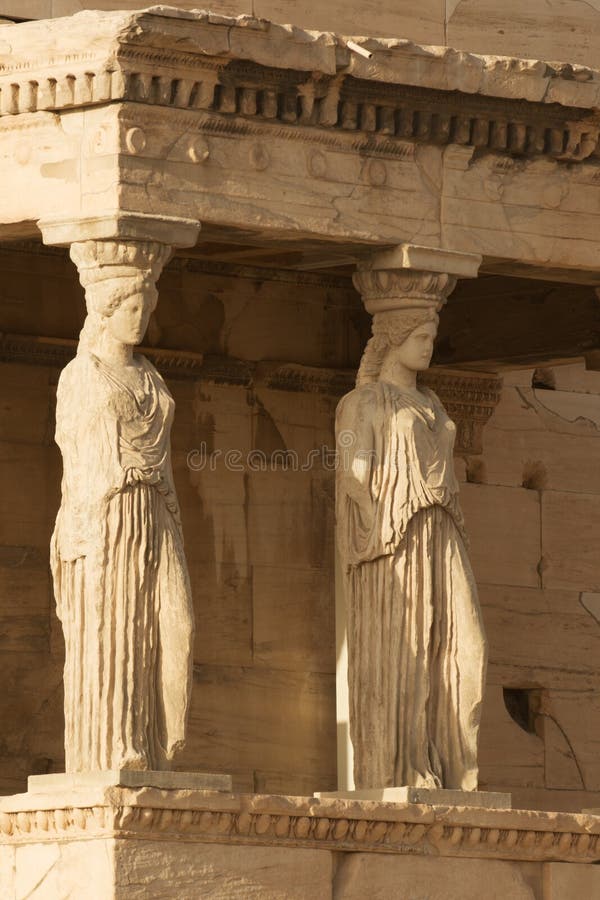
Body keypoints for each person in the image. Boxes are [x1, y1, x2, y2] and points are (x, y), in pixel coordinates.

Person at [51, 253, 194, 773]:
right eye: (131, 307)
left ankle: (156, 743)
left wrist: (173, 519)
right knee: (117, 628)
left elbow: (167, 461)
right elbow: (77, 457)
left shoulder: (152, 377)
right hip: (108, 514)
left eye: (145, 307)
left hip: (155, 510)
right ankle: (116, 750)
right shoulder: (81, 375)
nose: (141, 317)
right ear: (106, 311)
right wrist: (85, 537)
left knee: (174, 625)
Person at [336, 307, 486, 790]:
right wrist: (371, 515)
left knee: (467, 644)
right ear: (394, 339)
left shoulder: (433, 401)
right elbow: (352, 471)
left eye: (432, 336)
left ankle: (453, 766)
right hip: (396, 535)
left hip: (442, 529)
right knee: (409, 647)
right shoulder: (364, 401)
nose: (429, 345)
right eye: (420, 336)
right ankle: (403, 769)